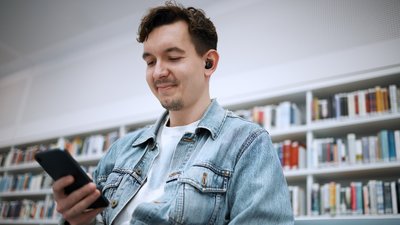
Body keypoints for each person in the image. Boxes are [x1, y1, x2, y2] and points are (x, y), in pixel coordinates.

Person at [52, 1, 294, 225]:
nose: (158, 73)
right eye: (149, 62)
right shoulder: (120, 151)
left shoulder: (247, 143)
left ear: (208, 63)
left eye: (173, 57)